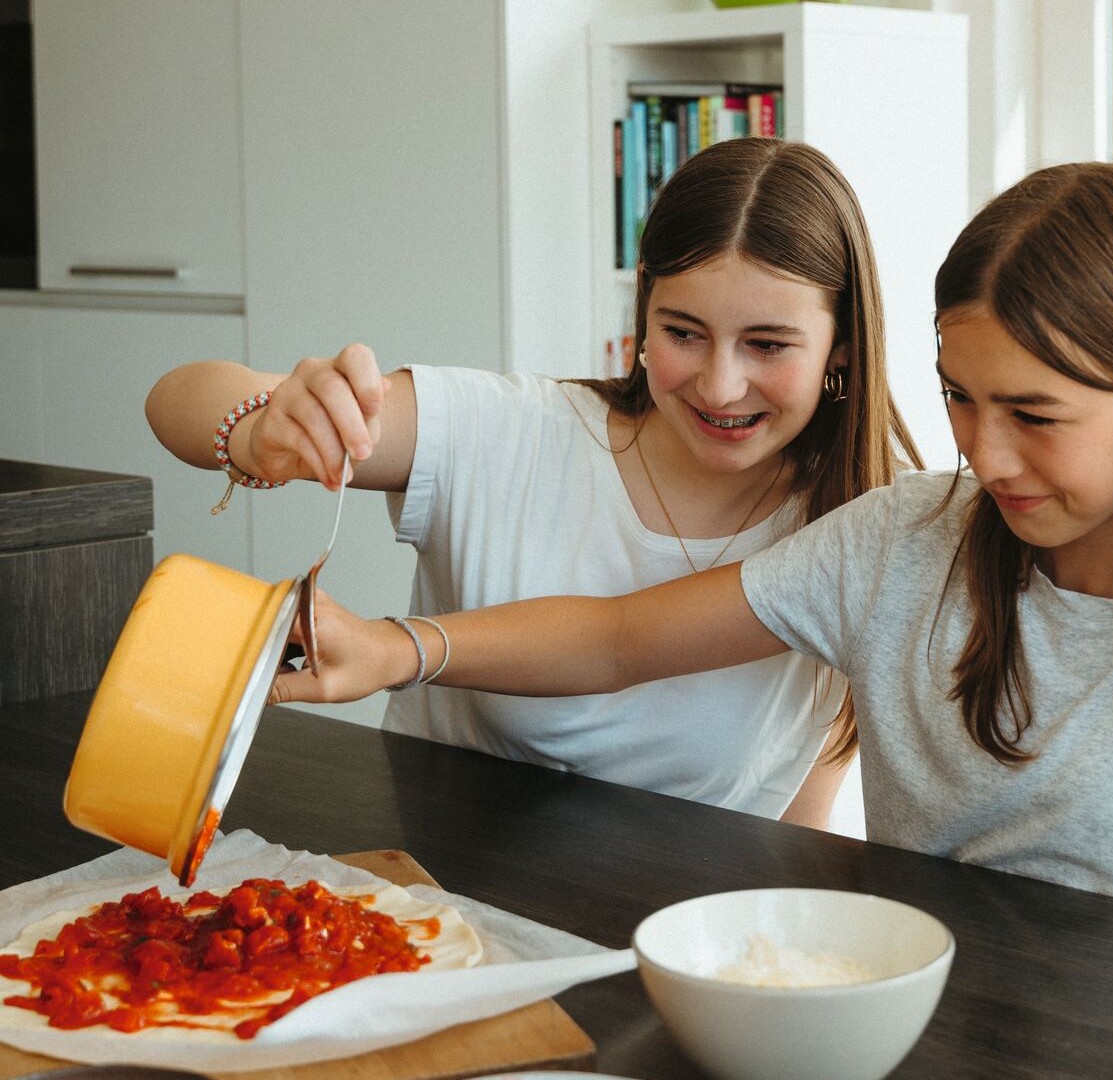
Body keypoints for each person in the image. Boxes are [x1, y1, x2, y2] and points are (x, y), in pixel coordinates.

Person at [272, 161, 1113, 932]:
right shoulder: (902, 539)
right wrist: (396, 648)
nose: (985, 452)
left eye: (1035, 414)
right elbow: (618, 637)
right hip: (925, 1014)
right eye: (959, 398)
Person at [145, 137, 923, 829]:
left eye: (767, 345)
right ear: (642, 306)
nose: (720, 386)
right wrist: (258, 429)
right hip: (430, 896)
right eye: (683, 332)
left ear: (841, 344)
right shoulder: (509, 431)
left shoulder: (863, 519)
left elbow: (799, 829)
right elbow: (176, 400)